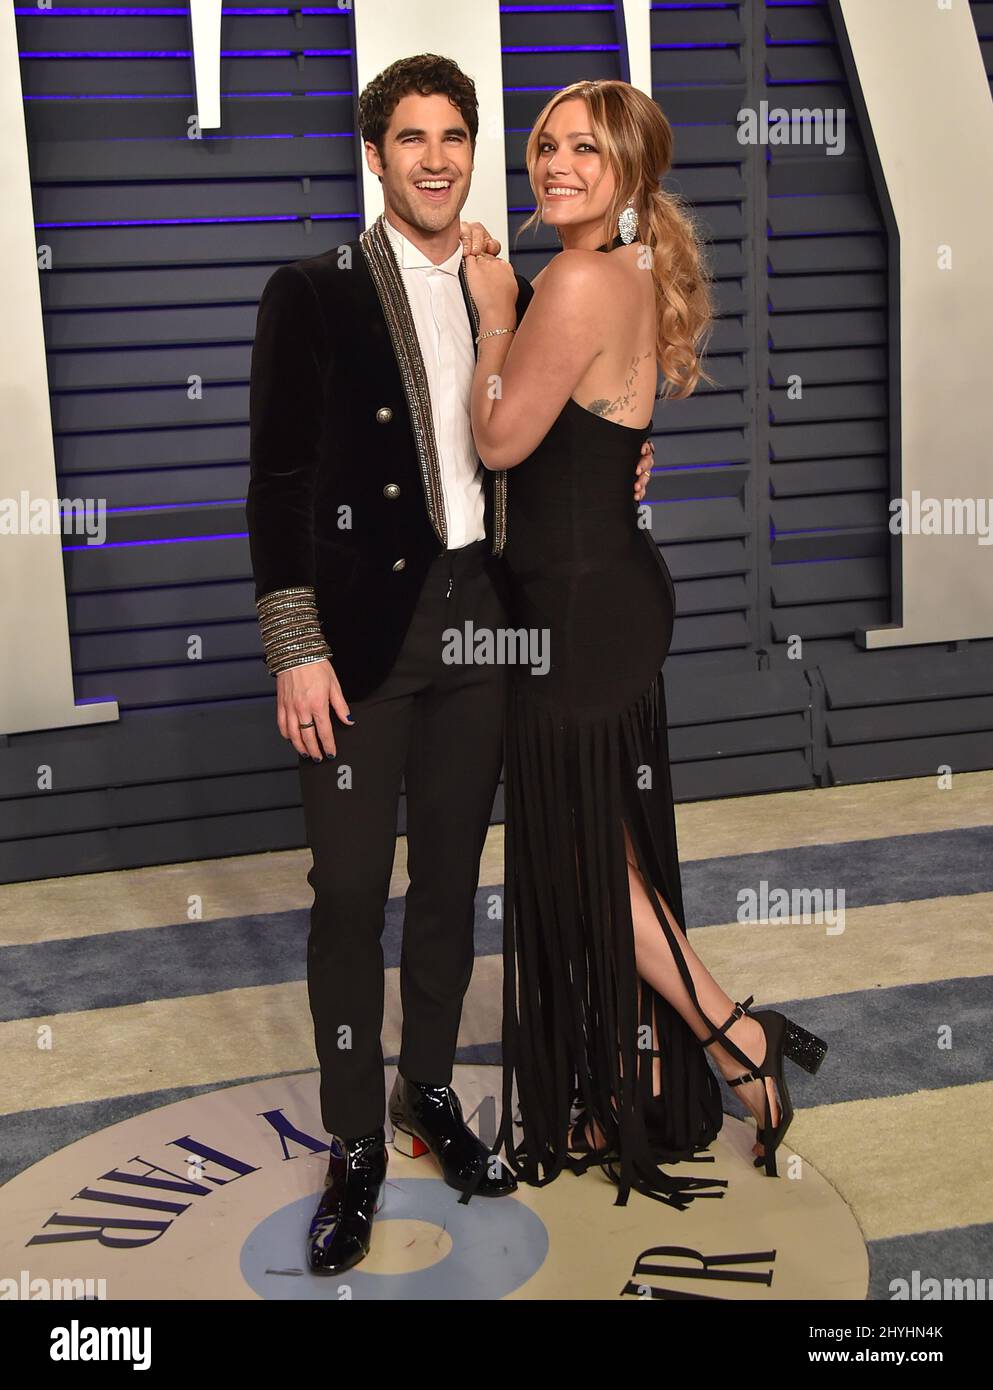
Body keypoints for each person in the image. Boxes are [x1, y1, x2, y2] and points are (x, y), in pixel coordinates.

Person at [245, 56, 655, 1272]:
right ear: (374, 154)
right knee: (348, 892)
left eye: (455, 137)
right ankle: (355, 1143)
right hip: (360, 643)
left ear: (473, 152)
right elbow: (273, 487)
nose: (436, 158)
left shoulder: (517, 286)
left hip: (486, 624)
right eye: (411, 137)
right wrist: (295, 649)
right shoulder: (310, 293)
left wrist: (637, 468)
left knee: (447, 888)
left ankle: (428, 1090)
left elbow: (569, 422)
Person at [461, 78, 828, 1209]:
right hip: (602, 594)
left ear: (631, 172)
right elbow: (595, 436)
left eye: (586, 148)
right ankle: (664, 1063)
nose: (556, 162)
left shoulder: (571, 278)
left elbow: (500, 436)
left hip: (578, 614)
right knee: (601, 852)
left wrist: (489, 309)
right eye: (548, 142)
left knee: (581, 857)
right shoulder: (618, 271)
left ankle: (732, 1034)